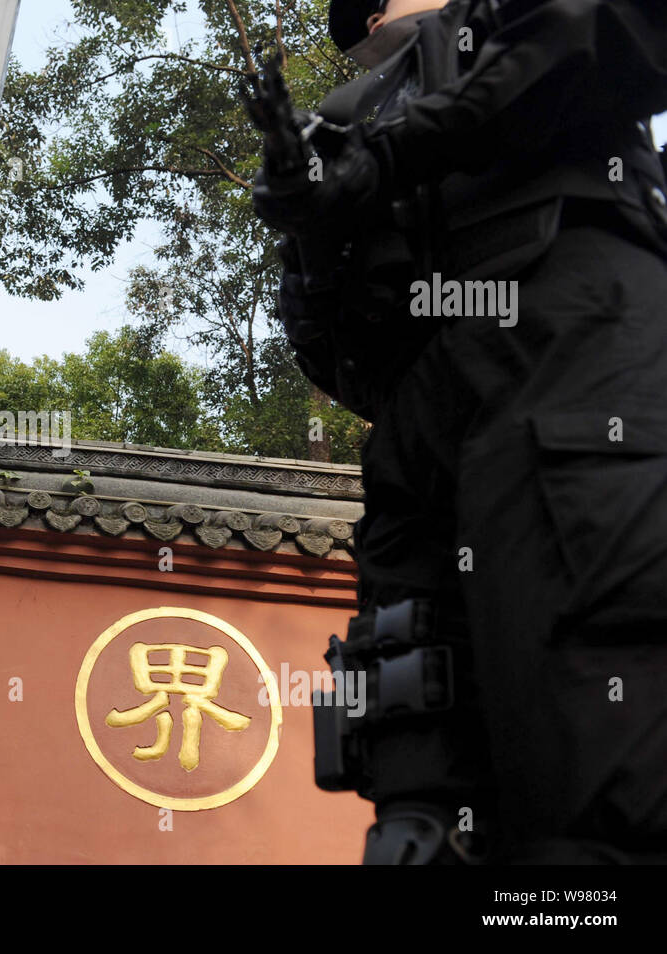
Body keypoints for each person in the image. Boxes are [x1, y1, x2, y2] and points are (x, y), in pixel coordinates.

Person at [252, 0, 667, 862]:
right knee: (415, 724)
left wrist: (389, 157)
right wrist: (309, 209)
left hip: (566, 331)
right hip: (419, 415)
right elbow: (319, 327)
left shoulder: (496, 31)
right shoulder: (341, 114)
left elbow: (585, 39)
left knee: (604, 720)